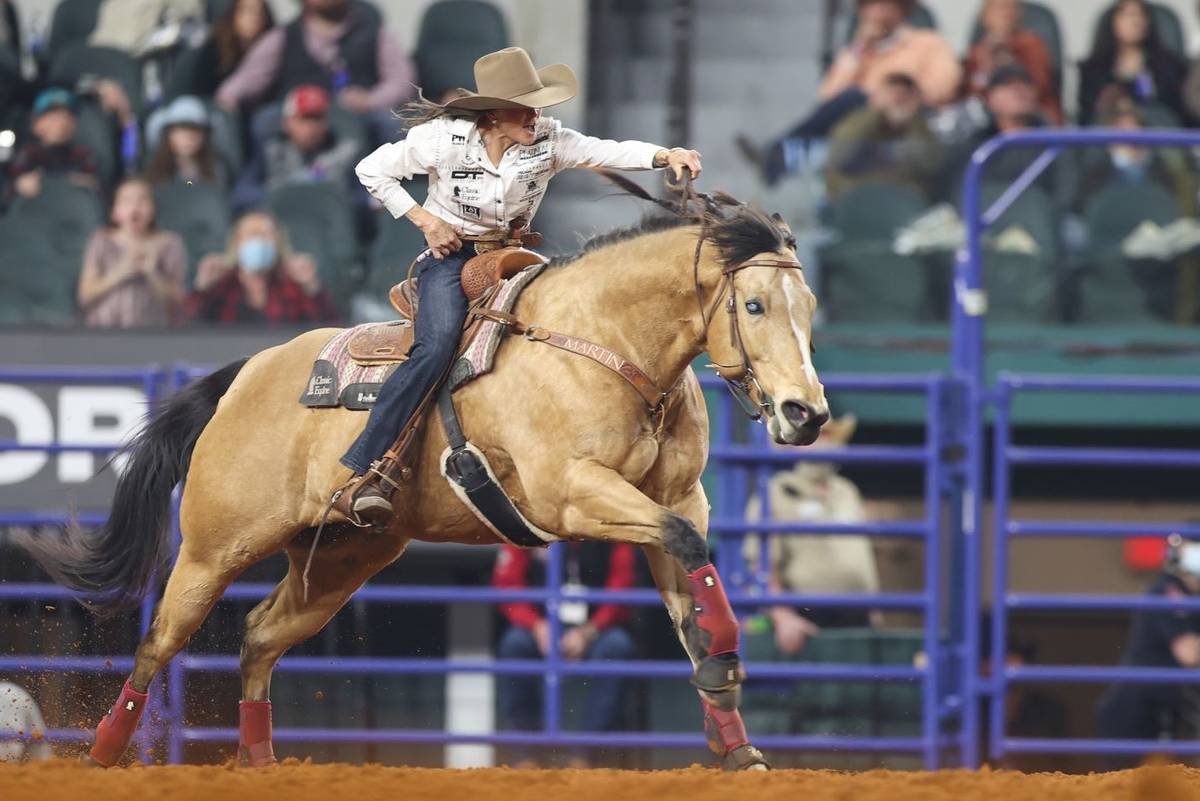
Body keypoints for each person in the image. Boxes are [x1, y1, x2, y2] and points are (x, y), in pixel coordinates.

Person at [335, 46, 702, 525]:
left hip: (515, 255)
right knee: (436, 345)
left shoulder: (548, 139)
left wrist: (663, 155)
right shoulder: (440, 140)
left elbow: (603, 150)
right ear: (492, 115)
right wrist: (426, 221)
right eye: (524, 106)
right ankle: (368, 463)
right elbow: (371, 170)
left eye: (538, 104)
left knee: (569, 326)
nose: (537, 114)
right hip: (452, 256)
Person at [737, 0, 959, 186]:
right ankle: (780, 157)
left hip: (909, 119)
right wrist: (858, 49)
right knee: (847, 107)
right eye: (870, 6)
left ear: (900, 9)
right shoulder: (858, 49)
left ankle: (778, 155)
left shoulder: (927, 43)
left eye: (884, 5)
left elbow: (944, 85)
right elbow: (828, 99)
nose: (877, 13)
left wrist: (896, 95)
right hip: (859, 125)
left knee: (853, 99)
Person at [492, 542, 638, 767]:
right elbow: (506, 584)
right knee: (514, 645)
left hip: (596, 628)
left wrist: (589, 631)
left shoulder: (609, 522)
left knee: (617, 647)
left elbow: (623, 586)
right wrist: (537, 626)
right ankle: (527, 754)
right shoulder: (530, 517)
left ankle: (585, 755)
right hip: (540, 626)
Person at [743, 415, 878, 657]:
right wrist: (783, 617)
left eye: (827, 435)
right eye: (815, 435)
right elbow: (762, 565)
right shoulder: (776, 494)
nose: (823, 443)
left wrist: (874, 609)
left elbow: (861, 553)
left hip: (857, 617)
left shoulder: (847, 491)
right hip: (807, 619)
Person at [215, 0, 413, 129]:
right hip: (296, 125)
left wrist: (370, 100)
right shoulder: (283, 36)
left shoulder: (375, 33)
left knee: (389, 125)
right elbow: (249, 78)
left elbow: (403, 81)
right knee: (266, 121)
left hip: (360, 122)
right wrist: (226, 100)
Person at [1096, 535, 1200, 769]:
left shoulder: (1191, 596)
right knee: (1125, 787)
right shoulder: (1168, 589)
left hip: (1167, 707)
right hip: (1136, 708)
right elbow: (1189, 653)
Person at [185, 210, 338, 325]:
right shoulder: (222, 286)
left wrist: (311, 288)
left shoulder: (292, 287)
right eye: (252, 234)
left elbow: (326, 330)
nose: (258, 241)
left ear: (278, 244)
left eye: (266, 235)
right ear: (237, 243)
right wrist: (202, 288)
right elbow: (190, 330)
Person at [78, 177, 188, 328]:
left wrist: (152, 273)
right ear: (114, 211)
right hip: (105, 331)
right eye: (126, 201)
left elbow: (179, 300)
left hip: (153, 333)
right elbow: (85, 296)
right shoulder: (101, 241)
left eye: (142, 200)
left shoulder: (170, 243)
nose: (135, 207)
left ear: (153, 208)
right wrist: (120, 273)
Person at [232, 84, 361, 210]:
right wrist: (280, 195)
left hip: (329, 224)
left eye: (317, 118)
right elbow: (242, 194)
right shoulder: (270, 150)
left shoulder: (346, 153)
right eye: (304, 118)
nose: (311, 128)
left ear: (327, 122)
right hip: (283, 223)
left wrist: (334, 198)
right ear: (286, 123)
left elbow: (364, 198)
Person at [824, 72, 943, 201]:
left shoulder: (919, 125)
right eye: (892, 94)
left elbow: (931, 163)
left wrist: (912, 118)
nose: (897, 100)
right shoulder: (856, 121)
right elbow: (841, 157)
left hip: (902, 202)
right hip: (857, 200)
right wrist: (876, 112)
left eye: (904, 96)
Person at [1078, 0, 1187, 126]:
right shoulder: (1094, 69)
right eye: (1129, 15)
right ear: (1113, 22)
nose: (1136, 21)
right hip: (1106, 135)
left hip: (1153, 132)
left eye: (1141, 15)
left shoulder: (1166, 66)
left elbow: (1172, 108)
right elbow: (1087, 113)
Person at [962, 0, 1062, 124]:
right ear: (984, 17)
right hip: (989, 123)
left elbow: (1039, 87)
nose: (1004, 14)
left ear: (1019, 14)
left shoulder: (1032, 45)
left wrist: (1009, 53)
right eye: (998, 9)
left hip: (1030, 117)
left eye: (1010, 9)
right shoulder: (977, 53)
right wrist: (986, 64)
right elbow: (972, 98)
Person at [5, 88, 99, 203]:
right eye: (53, 118)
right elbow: (7, 196)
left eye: (66, 117)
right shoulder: (27, 154)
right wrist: (18, 185)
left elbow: (96, 193)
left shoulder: (82, 155)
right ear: (36, 124)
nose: (61, 124)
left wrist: (88, 186)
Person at [176, 0, 275, 98]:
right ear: (233, 14)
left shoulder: (271, 56)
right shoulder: (215, 50)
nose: (254, 17)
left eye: (260, 12)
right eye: (248, 11)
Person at [144, 95, 227, 187]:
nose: (190, 137)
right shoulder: (154, 172)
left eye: (196, 130)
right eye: (182, 130)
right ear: (168, 135)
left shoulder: (216, 170)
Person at [0, 681, 51, 762]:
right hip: (13, 754)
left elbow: (38, 734)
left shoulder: (15, 693)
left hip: (12, 753)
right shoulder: (16, 692)